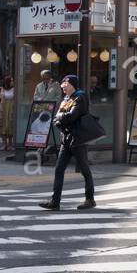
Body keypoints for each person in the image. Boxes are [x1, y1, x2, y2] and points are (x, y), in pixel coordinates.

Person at [39, 75, 95, 211]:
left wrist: (59, 118)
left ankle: (90, 199)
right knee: (59, 170)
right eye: (63, 83)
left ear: (72, 85)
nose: (63, 86)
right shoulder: (66, 98)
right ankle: (55, 201)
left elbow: (71, 116)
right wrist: (59, 118)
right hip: (66, 139)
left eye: (66, 83)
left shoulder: (80, 97)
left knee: (84, 169)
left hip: (78, 139)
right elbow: (58, 117)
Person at [0, 75, 16, 152]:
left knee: (10, 126)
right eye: (11, 81)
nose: (13, 82)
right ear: (7, 82)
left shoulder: (15, 89)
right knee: (2, 126)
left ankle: (10, 144)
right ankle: (4, 144)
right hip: (3, 110)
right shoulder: (0, 89)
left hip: (12, 110)